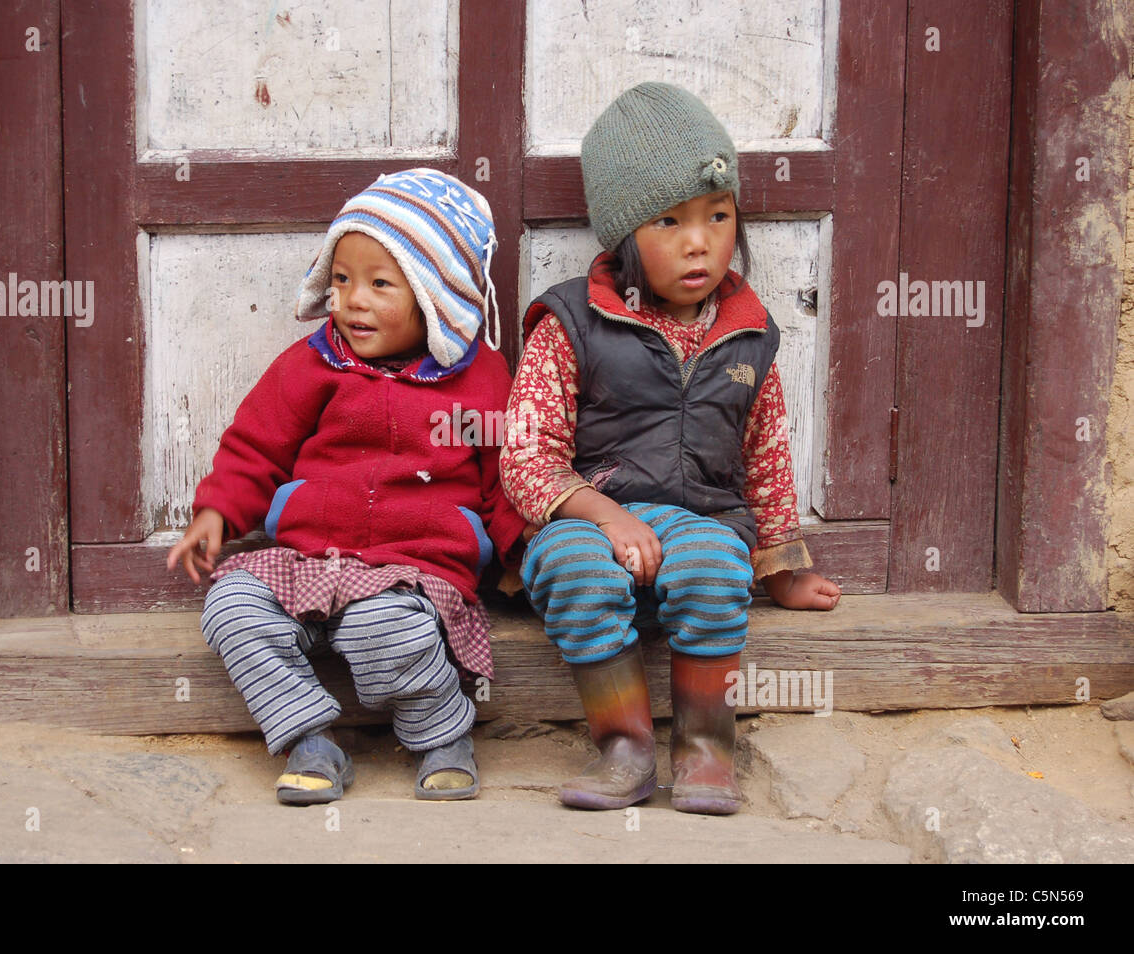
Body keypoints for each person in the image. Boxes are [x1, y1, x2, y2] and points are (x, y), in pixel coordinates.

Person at [501, 82, 841, 815]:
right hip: (590, 518)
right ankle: (625, 750)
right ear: (624, 235)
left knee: (720, 563)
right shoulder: (571, 325)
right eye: (670, 221)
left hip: (701, 523)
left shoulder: (748, 333)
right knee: (567, 566)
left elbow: (768, 457)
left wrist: (781, 565)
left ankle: (706, 751)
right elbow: (526, 454)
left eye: (718, 216)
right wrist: (602, 515)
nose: (700, 241)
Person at [168, 168, 529, 805]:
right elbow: (256, 445)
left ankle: (440, 730)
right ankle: (309, 737)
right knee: (229, 607)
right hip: (308, 559)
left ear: (436, 297)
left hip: (411, 567)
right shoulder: (311, 363)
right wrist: (217, 511)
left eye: (380, 284)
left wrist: (519, 549)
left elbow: (507, 474)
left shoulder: (479, 380)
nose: (352, 300)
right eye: (341, 280)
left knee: (380, 629)